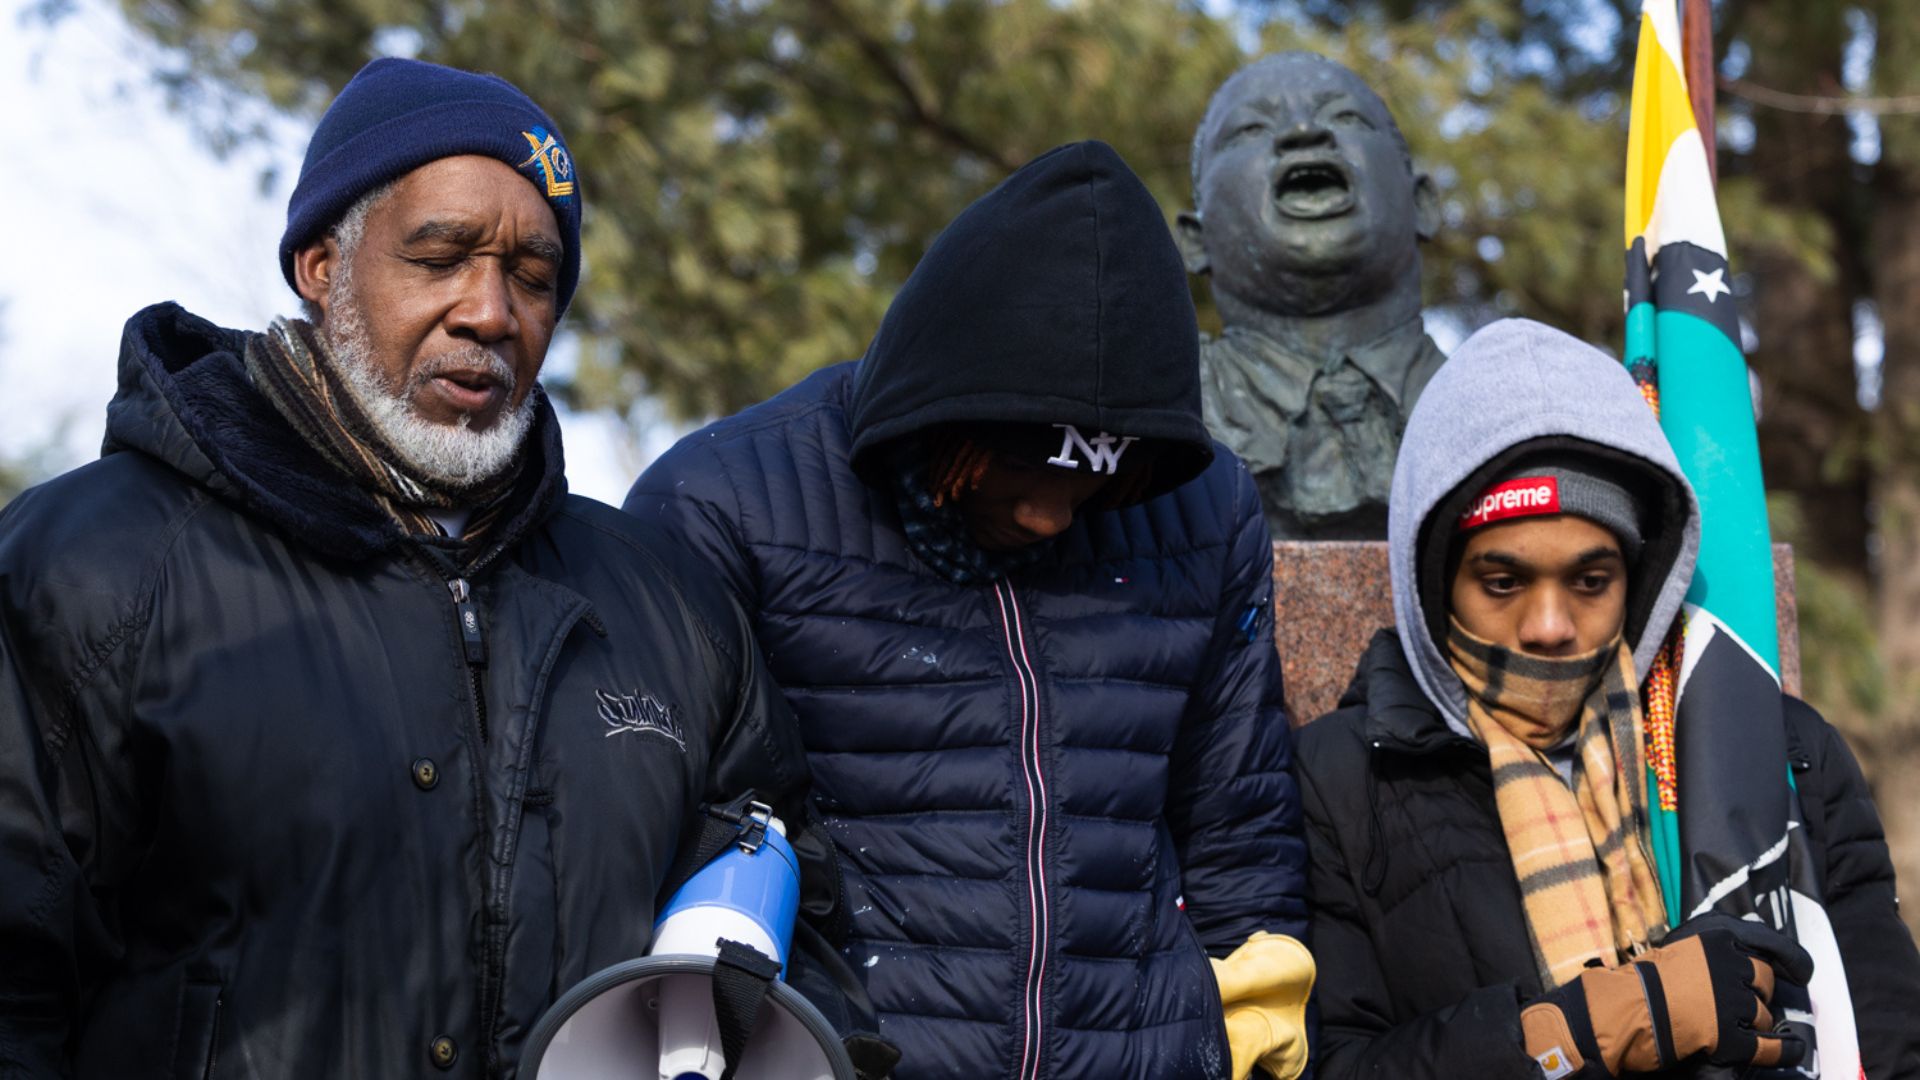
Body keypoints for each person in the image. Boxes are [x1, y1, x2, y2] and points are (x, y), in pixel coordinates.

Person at [0, 57, 870, 1078]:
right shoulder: (97, 565)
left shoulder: (669, 604)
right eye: (440, 257)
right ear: (322, 266)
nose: (490, 312)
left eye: (535, 278)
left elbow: (797, 916)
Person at [625, 141, 1312, 1079]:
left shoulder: (1205, 512)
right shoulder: (723, 505)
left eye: (1096, 483)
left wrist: (1249, 1037)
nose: (1047, 512)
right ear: (935, 419)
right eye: (1019, 465)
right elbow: (665, 848)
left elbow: (1237, 822)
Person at [1294, 318, 1920, 1077]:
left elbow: (1889, 1040)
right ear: (1434, 580)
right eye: (1503, 581)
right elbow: (1331, 1065)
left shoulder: (1779, 749)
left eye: (1591, 582)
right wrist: (1586, 1029)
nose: (1550, 626)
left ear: (1642, 578)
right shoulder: (1339, 782)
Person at [1178, 52, 1447, 540]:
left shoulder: (1504, 410)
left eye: (1345, 117)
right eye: (1251, 130)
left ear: (1422, 204)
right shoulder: (1164, 420)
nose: (1303, 132)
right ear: (1195, 241)